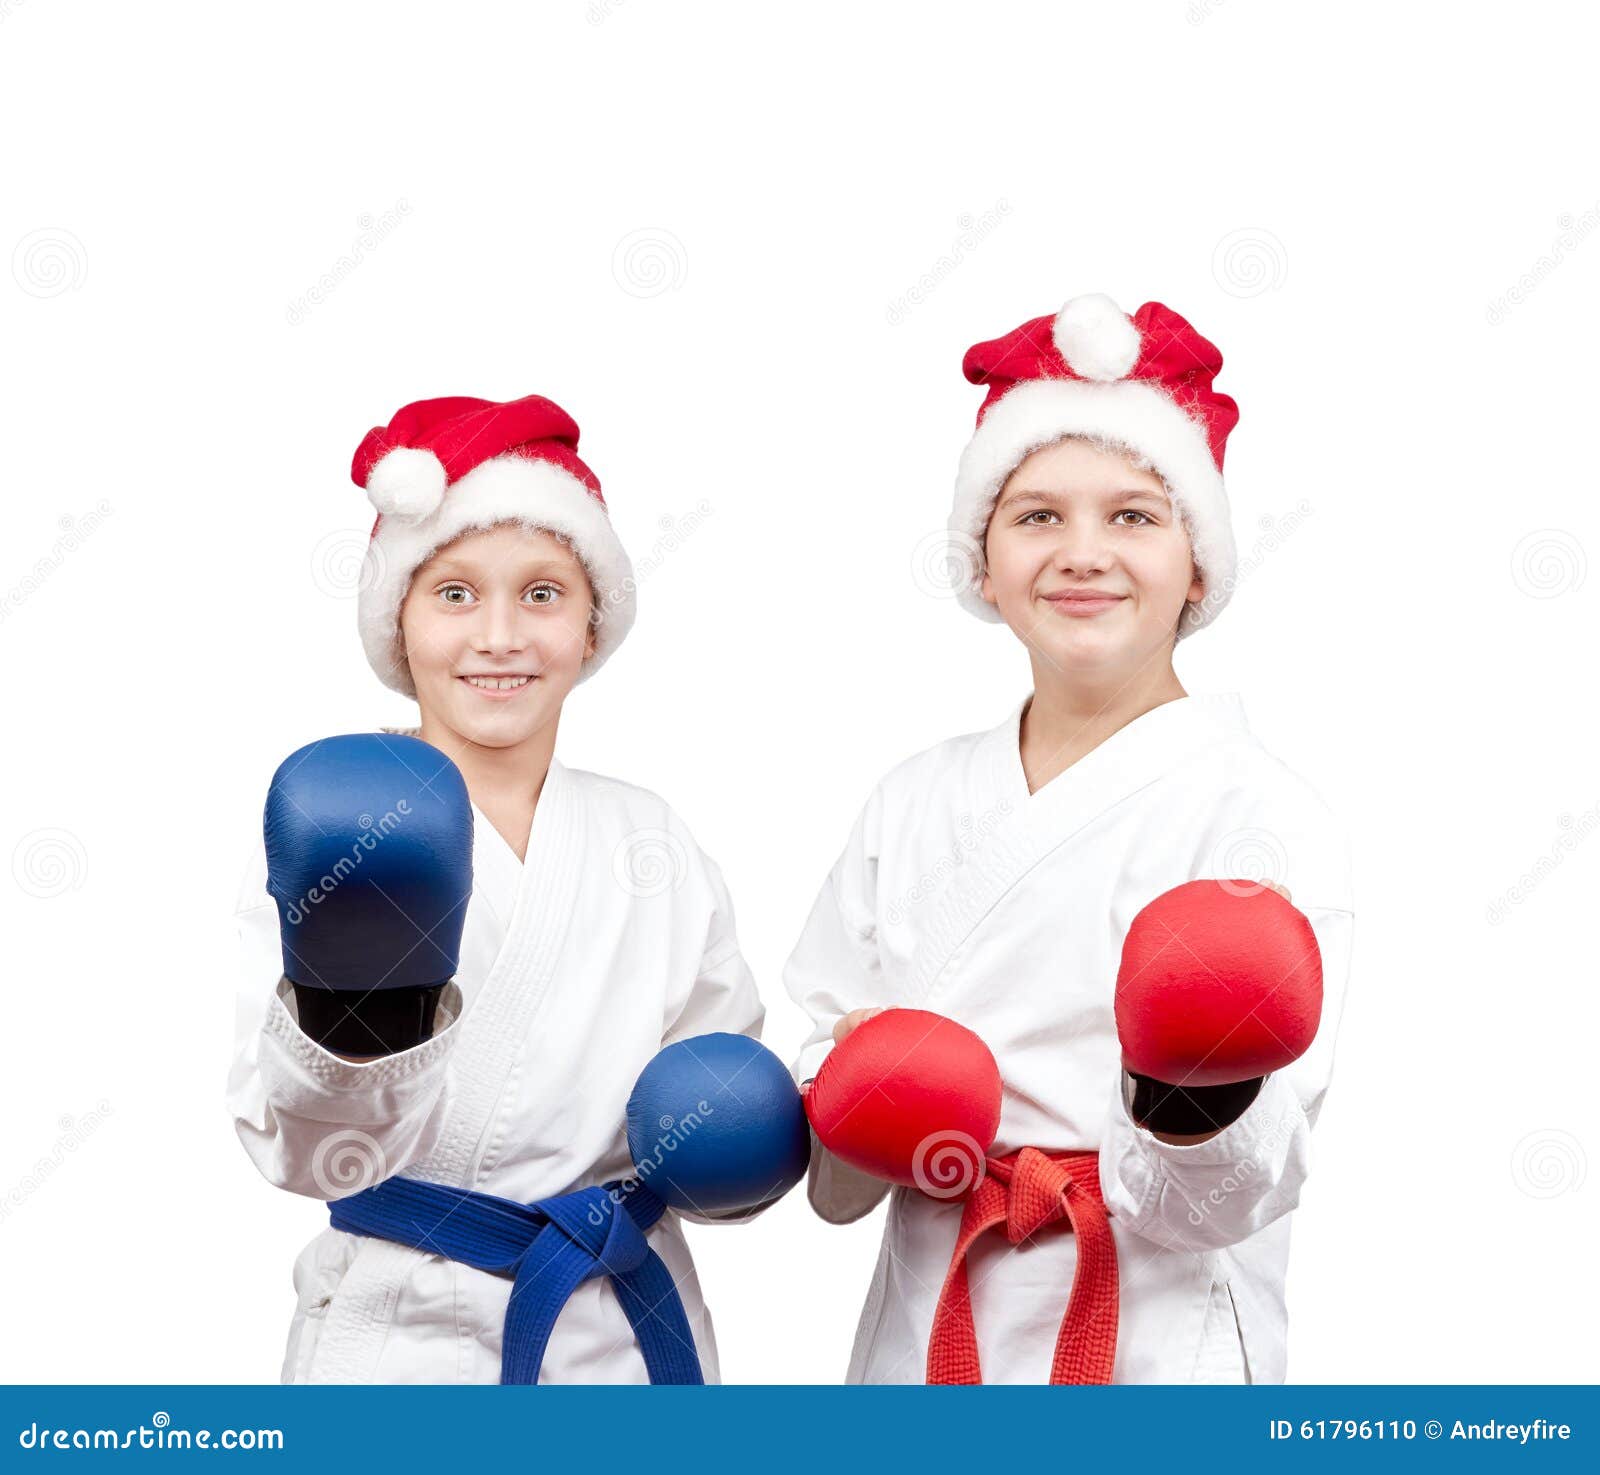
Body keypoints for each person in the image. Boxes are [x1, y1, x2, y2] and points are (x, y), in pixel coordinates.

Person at [784, 294, 1355, 1384]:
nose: (1083, 553)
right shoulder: (912, 800)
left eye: (1133, 516)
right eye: (1037, 516)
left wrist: (1192, 1089)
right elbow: (822, 1053)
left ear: (1200, 564)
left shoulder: (1262, 816)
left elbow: (1251, 1177)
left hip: (1160, 1338)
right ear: (981, 564)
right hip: (933, 1317)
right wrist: (856, 1085)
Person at [228, 394, 771, 1383]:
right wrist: (358, 1014)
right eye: (454, 593)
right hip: (401, 1335)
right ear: (397, 620)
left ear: (592, 622)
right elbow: (299, 1152)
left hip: (619, 1323)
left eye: (542, 593)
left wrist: (751, 1142)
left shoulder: (650, 839)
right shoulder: (332, 830)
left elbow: (716, 1088)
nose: (499, 634)